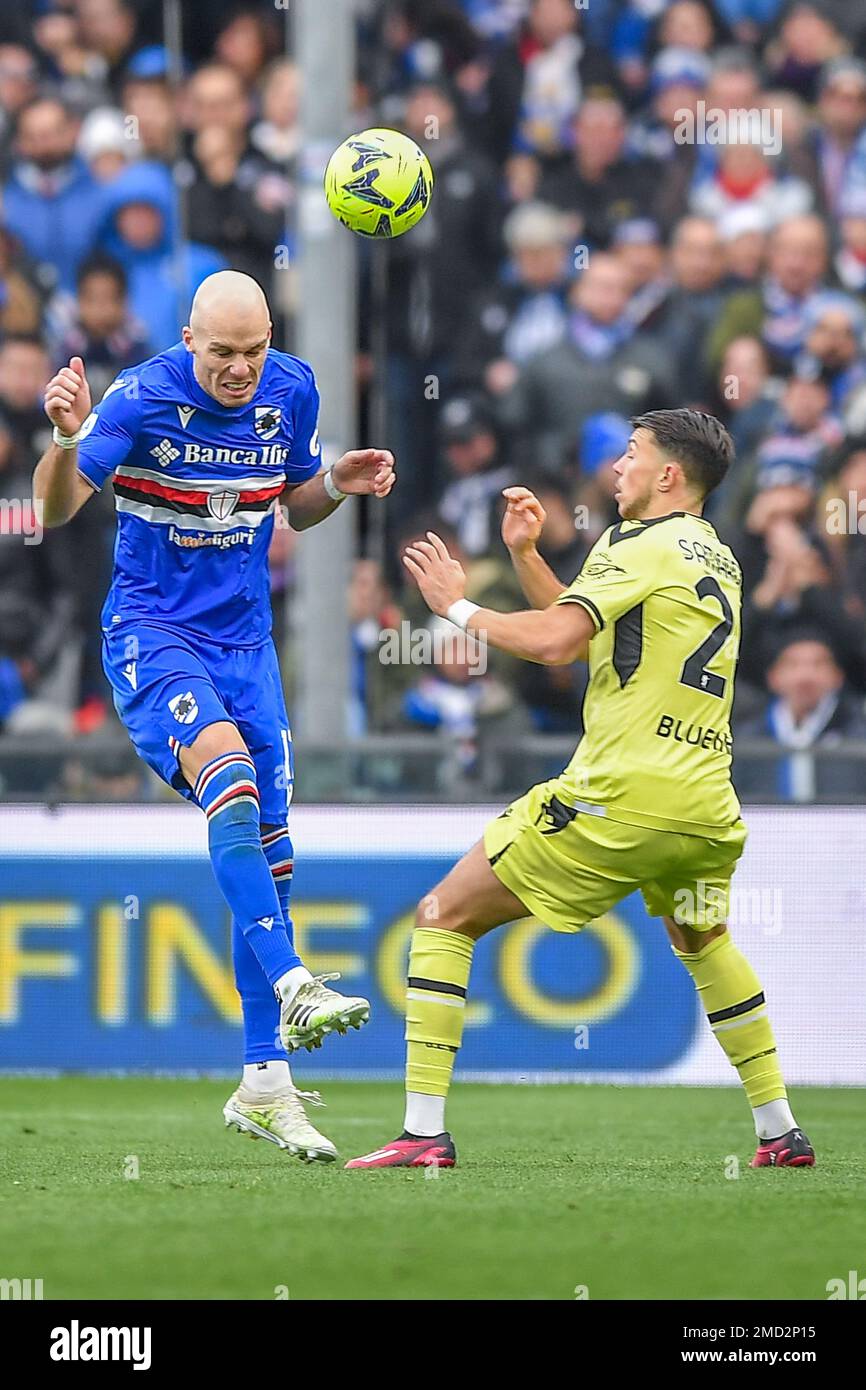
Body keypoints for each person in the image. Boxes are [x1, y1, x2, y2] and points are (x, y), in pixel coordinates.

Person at [346, 408, 815, 1171]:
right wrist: (529, 556)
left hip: (622, 796)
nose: (617, 468)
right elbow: (593, 629)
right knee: (703, 941)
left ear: (668, 474)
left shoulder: (638, 540)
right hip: (704, 805)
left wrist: (456, 608)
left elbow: (558, 641)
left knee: (443, 915)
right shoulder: (715, 555)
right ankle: (780, 1132)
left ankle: (423, 1133)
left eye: (631, 455)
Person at [33, 270, 396, 1163]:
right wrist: (64, 437)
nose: (240, 369)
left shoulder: (294, 388)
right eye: (223, 352)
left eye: (254, 349)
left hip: (247, 648)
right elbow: (53, 509)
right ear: (189, 339)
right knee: (227, 790)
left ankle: (264, 1081)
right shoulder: (141, 397)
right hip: (153, 633)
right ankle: (296, 982)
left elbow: (297, 507)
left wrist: (337, 485)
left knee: (272, 859)